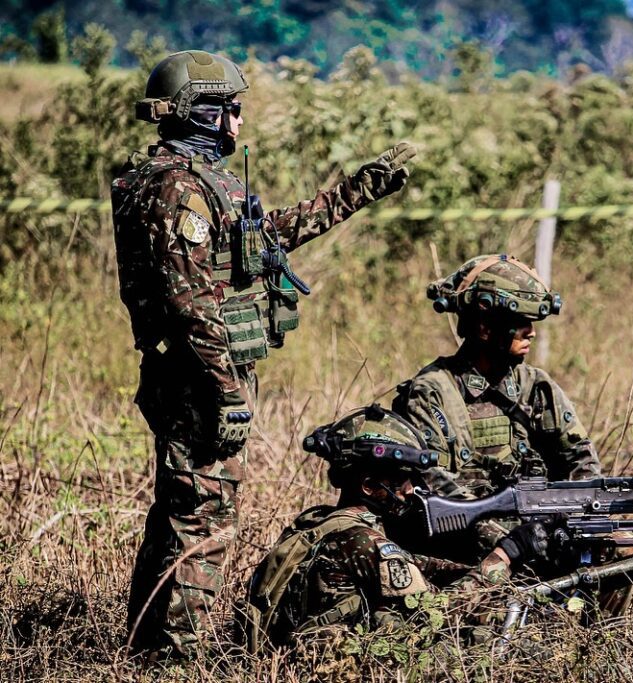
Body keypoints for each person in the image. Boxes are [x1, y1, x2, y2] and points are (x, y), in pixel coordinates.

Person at [111, 49, 415, 660]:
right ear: (202, 113)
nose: (239, 121)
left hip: (199, 373)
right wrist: (226, 391)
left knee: (182, 510)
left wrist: (356, 192)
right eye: (231, 108)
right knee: (204, 521)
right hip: (198, 378)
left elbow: (264, 237)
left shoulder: (196, 179)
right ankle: (175, 658)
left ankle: (146, 648)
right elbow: (189, 303)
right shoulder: (176, 188)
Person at [241, 405, 549, 651]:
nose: (412, 488)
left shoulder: (319, 521)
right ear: (368, 486)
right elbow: (435, 614)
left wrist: (471, 569)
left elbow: (417, 565)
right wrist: (503, 557)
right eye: (404, 479)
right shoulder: (365, 542)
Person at [393, 254, 601, 506]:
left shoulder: (535, 385)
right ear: (484, 328)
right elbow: (433, 483)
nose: (532, 333)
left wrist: (576, 514)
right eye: (521, 323)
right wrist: (497, 528)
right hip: (465, 527)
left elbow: (582, 461)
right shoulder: (433, 390)